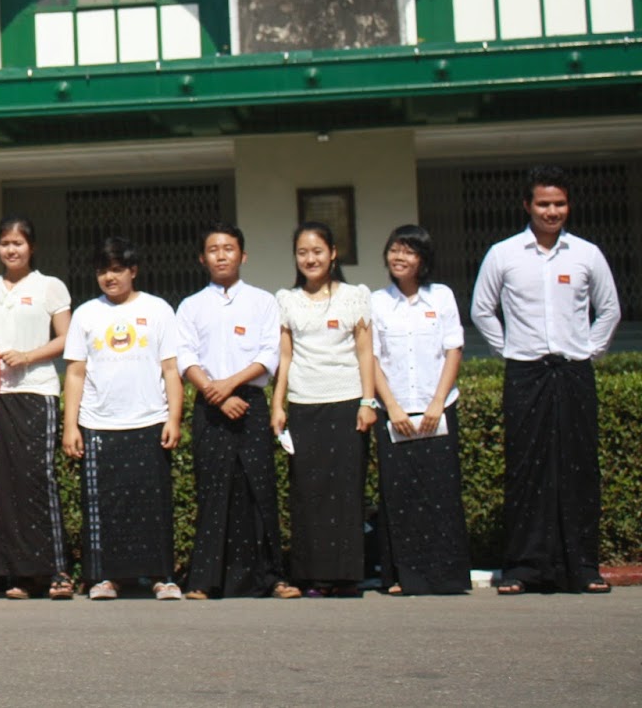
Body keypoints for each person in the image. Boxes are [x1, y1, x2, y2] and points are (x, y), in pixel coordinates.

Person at [470, 165, 620, 595]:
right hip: (526, 372)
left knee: (578, 468)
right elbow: (483, 309)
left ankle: (583, 567)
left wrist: (588, 350)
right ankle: (523, 568)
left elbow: (608, 309)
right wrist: (511, 350)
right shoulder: (504, 253)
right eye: (543, 204)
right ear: (527, 206)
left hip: (573, 370)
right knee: (526, 468)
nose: (551, 211)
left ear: (568, 205)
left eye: (559, 203)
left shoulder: (587, 254)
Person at [174, 222, 297, 600]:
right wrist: (217, 392)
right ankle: (205, 581)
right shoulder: (191, 305)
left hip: (251, 402)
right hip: (210, 406)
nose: (221, 255)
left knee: (259, 489)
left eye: (229, 248)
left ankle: (272, 577)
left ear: (243, 255)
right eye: (213, 249)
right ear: (202, 258)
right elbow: (185, 356)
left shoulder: (262, 302)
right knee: (214, 490)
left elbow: (268, 354)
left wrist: (230, 385)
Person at [61, 237, 184, 602]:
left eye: (116, 270)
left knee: (154, 506)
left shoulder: (159, 309)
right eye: (102, 271)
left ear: (133, 270)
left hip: (149, 420)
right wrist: (71, 426)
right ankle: (104, 578)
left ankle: (163, 577)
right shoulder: (86, 314)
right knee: (103, 508)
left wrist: (173, 418)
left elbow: (171, 368)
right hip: (100, 424)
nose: (109, 278)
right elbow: (75, 373)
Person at [272, 221, 376, 597]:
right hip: (304, 405)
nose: (310, 259)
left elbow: (366, 351)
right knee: (308, 493)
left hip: (347, 403)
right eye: (303, 252)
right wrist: (278, 402)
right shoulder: (287, 299)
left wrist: (368, 401)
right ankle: (312, 577)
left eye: (317, 251)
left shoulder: (355, 296)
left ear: (333, 253)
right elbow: (285, 355)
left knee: (346, 492)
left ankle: (347, 577)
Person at [0, 215, 72, 600]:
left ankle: (56, 571)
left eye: (18, 243)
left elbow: (66, 338)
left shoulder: (50, 286)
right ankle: (16, 574)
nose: (11, 250)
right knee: (2, 484)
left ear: (31, 247)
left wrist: (29, 356)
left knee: (37, 480)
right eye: (4, 244)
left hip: (37, 391)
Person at [370, 224, 470, 595]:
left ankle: (446, 576)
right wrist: (392, 406)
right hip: (394, 413)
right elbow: (373, 359)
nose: (400, 257)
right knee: (399, 496)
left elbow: (453, 350)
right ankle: (401, 576)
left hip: (438, 409)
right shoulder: (377, 302)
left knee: (440, 492)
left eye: (409, 251)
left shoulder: (441, 297)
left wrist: (437, 403)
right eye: (395, 249)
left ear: (423, 259)